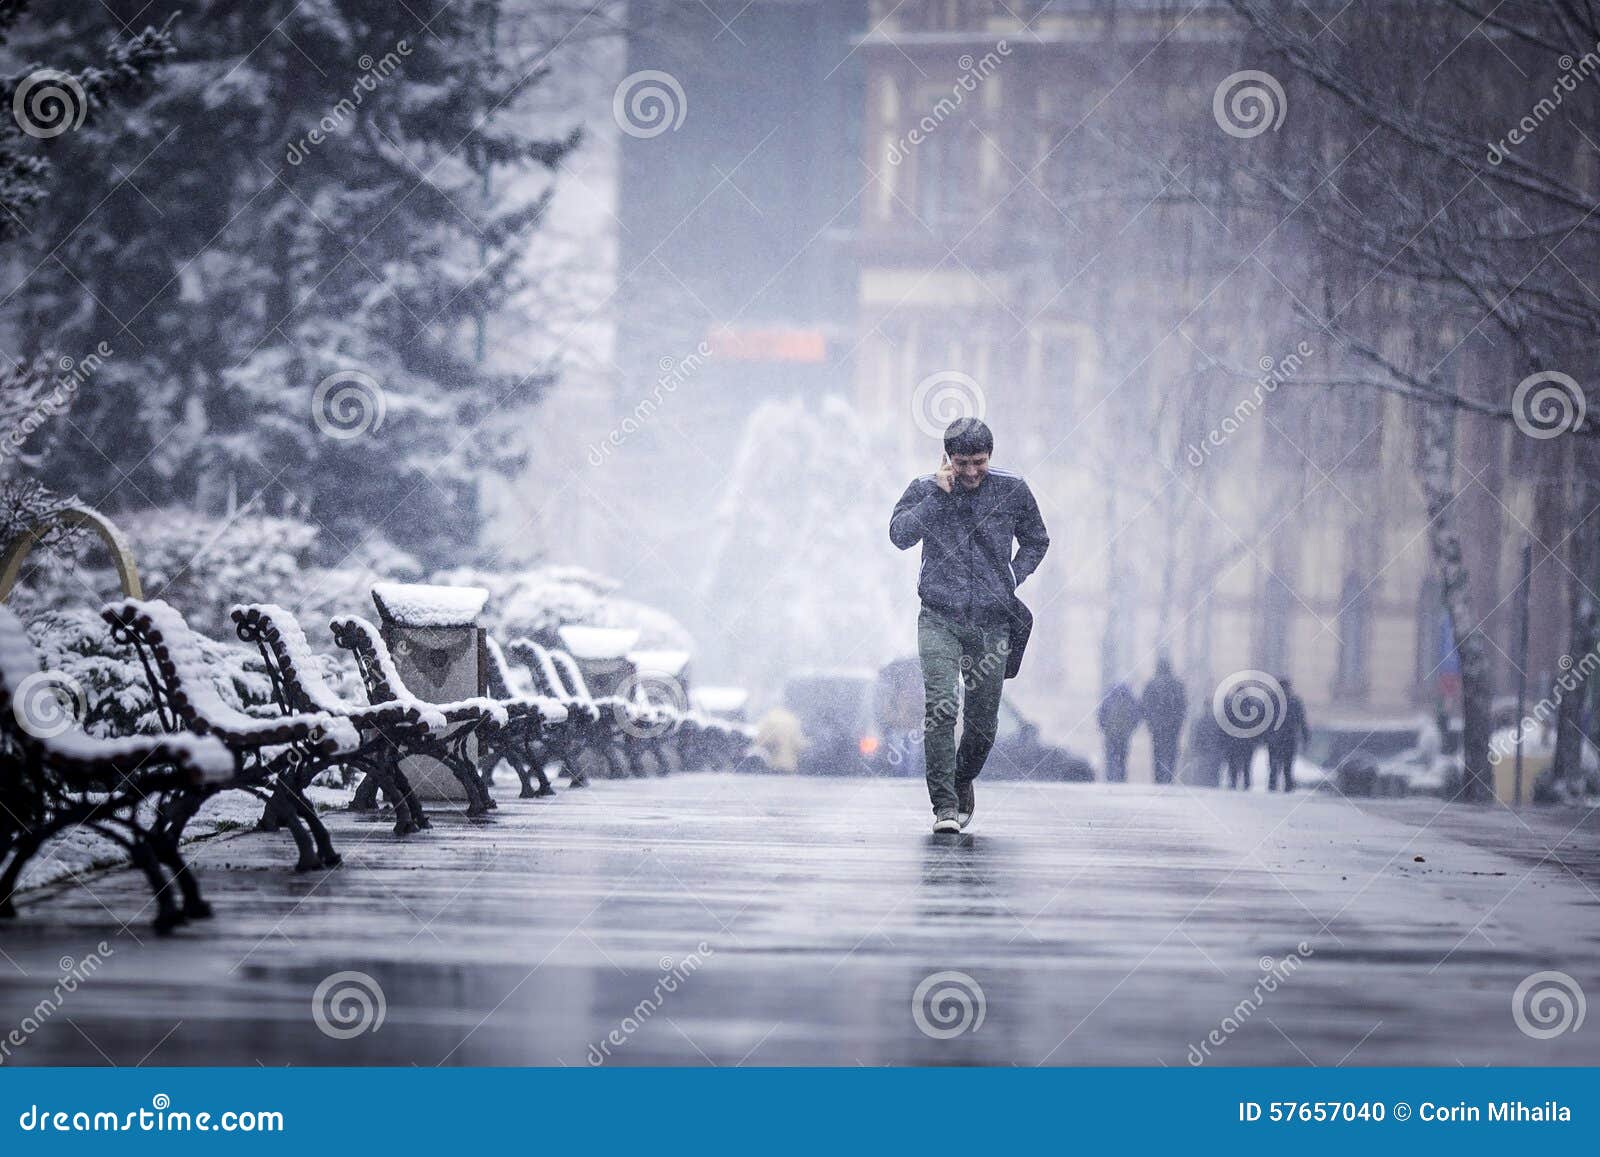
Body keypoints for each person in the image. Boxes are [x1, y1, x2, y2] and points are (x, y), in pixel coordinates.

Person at [889, 417, 1050, 833]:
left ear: (990, 457)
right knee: (941, 707)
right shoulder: (926, 488)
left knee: (982, 723)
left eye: (979, 462)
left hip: (991, 624)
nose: (972, 471)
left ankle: (962, 778)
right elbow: (900, 534)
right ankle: (944, 807)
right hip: (939, 618)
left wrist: (1014, 576)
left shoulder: (1012, 490)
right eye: (962, 463)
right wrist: (937, 500)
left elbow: (1037, 539)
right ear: (948, 459)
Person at [1140, 656, 1187, 785]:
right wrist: (1178, 722)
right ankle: (1169, 778)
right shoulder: (1178, 685)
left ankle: (1158, 778)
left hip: (1157, 727)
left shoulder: (1151, 684)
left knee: (1157, 752)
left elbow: (1145, 706)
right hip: (1173, 726)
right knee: (1171, 752)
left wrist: (1150, 723)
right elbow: (1183, 706)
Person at [1265, 677, 1309, 792]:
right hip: (1289, 738)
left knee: (1274, 764)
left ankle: (1273, 784)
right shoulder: (1294, 701)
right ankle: (1287, 785)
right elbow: (1302, 721)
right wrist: (1305, 738)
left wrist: (1265, 737)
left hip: (1275, 738)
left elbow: (1264, 721)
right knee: (1287, 764)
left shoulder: (1272, 701)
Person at [1097, 681, 1142, 783]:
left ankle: (1110, 777)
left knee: (1110, 757)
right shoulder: (1130, 699)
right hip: (1124, 735)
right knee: (1122, 758)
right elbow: (1136, 716)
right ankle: (1121, 778)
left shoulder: (1109, 699)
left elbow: (1101, 716)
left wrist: (1105, 729)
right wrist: (1130, 729)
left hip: (1110, 734)